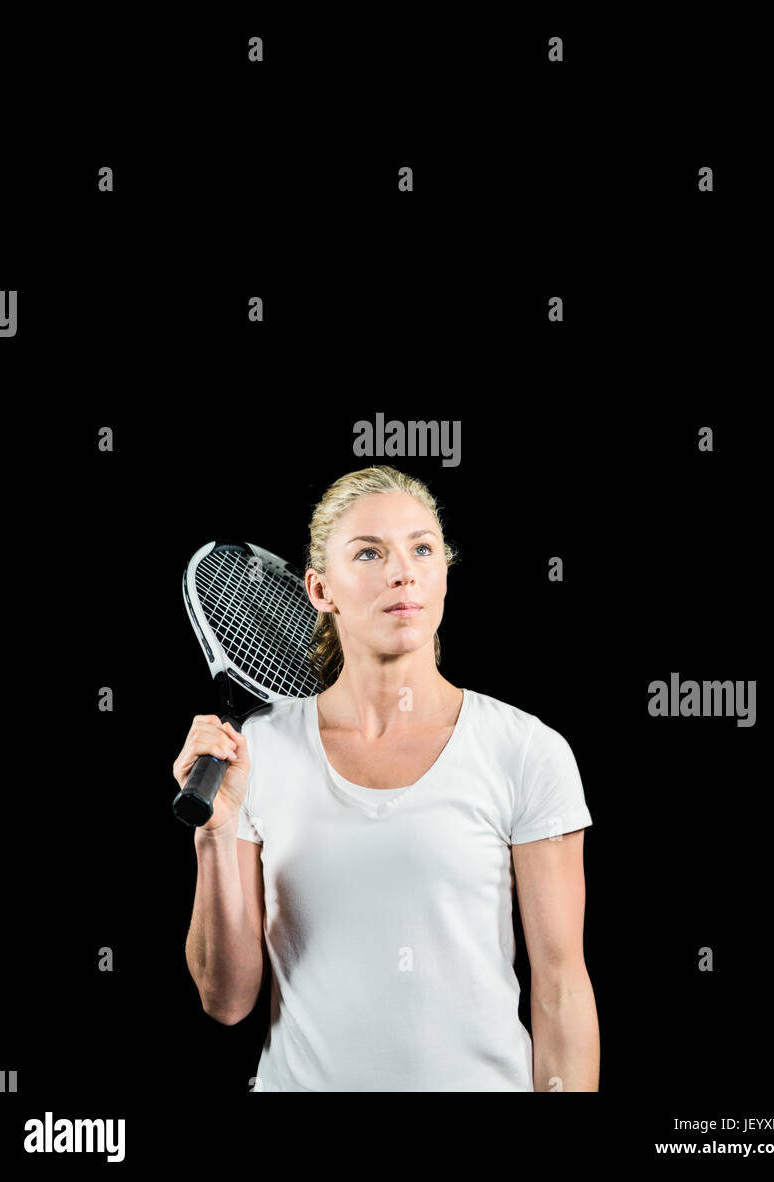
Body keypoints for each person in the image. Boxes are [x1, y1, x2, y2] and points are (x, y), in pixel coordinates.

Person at [176, 465, 598, 1091]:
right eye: (370, 552)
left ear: (444, 574)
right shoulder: (257, 750)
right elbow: (227, 999)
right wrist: (215, 835)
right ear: (320, 590)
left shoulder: (527, 751)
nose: (404, 571)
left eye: (422, 549)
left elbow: (561, 988)